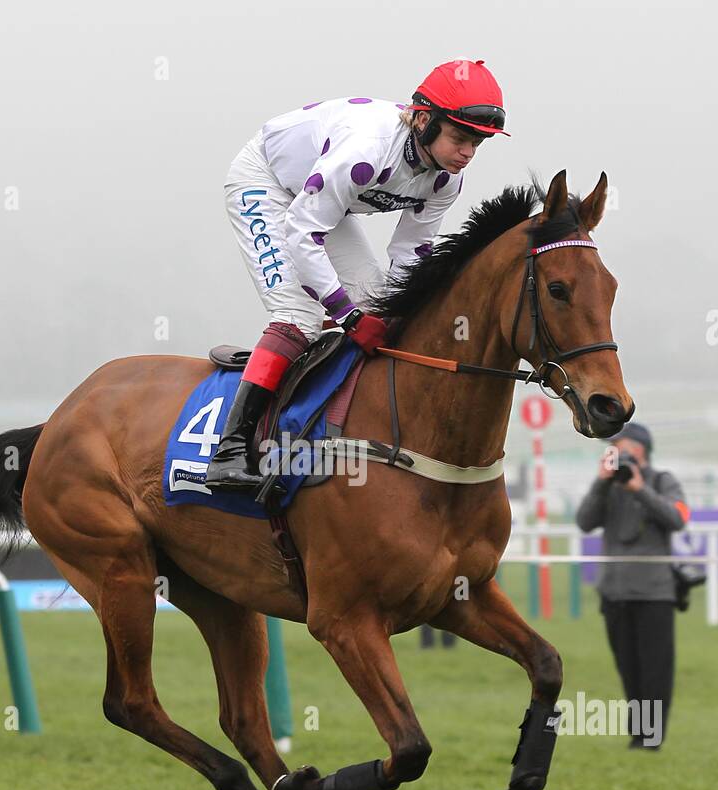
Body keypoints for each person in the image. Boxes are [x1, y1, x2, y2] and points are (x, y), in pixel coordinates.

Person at [207, 59, 510, 492]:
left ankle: (337, 423)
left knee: (379, 303)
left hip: (318, 200)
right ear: (424, 120)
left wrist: (391, 314)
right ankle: (230, 449)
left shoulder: (445, 181)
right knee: (299, 314)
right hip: (267, 182)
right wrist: (347, 317)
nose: (467, 153)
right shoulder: (367, 150)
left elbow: (410, 255)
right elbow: (302, 234)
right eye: (460, 138)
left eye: (477, 144)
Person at [575, 423, 690, 750]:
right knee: (628, 667)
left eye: (620, 444)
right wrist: (601, 482)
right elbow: (584, 522)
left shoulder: (662, 480)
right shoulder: (608, 485)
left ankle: (651, 738)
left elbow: (678, 518)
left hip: (654, 594)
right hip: (615, 593)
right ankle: (637, 734)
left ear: (639, 448)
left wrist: (640, 488)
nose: (614, 450)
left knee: (655, 669)